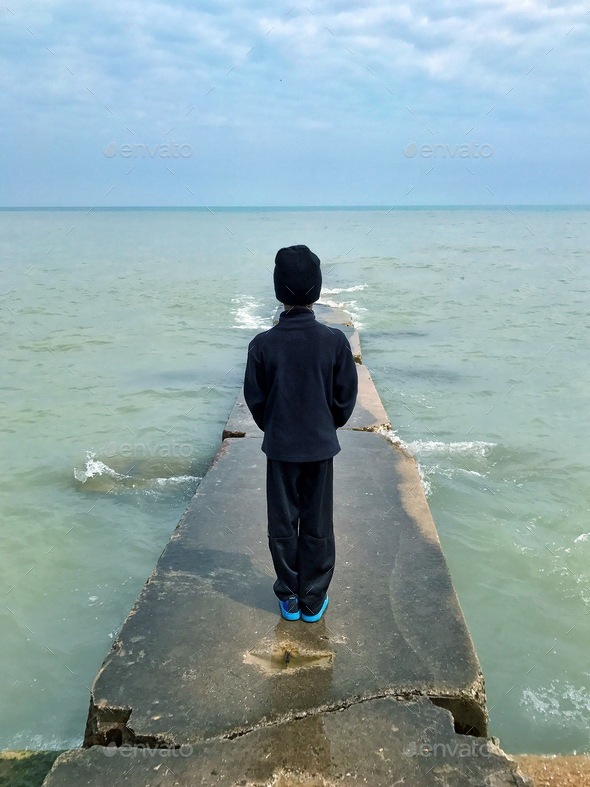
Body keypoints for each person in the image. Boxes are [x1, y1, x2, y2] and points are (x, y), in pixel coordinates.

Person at [243, 245, 358, 622]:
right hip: (320, 448)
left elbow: (255, 399)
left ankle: (289, 596)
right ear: (317, 289)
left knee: (282, 523)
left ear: (278, 289)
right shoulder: (335, 342)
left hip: (280, 448)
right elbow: (345, 398)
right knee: (317, 521)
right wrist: (326, 424)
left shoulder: (262, 344)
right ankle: (312, 599)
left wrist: (277, 426)